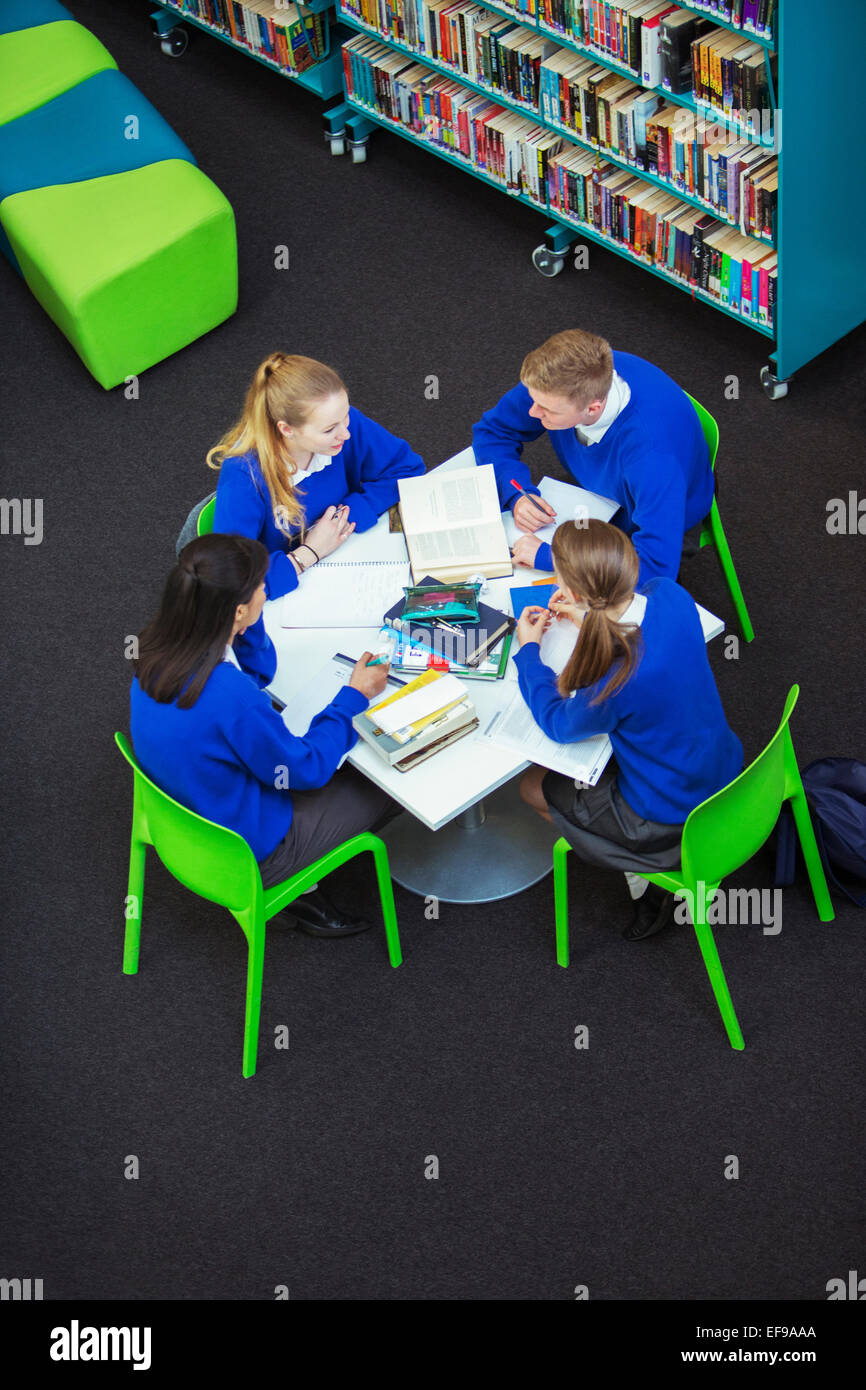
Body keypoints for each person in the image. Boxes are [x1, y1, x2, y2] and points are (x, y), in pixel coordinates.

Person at [130, 533, 399, 936]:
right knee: (391, 778)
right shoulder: (227, 696)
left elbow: (258, 676)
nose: (265, 592)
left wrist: (244, 624)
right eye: (260, 587)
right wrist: (354, 696)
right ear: (236, 610)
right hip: (256, 851)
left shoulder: (155, 648)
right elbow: (305, 770)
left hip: (187, 816)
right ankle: (300, 890)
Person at [513, 519, 742, 940]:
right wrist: (589, 617)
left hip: (668, 812)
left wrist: (529, 651)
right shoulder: (671, 595)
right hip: (724, 771)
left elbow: (561, 725)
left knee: (531, 787)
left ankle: (647, 874)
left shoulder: (617, 682)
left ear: (578, 592)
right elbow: (641, 631)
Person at [472, 328, 714, 584]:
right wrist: (517, 494)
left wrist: (558, 559)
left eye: (546, 410)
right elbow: (493, 431)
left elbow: (653, 570)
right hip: (599, 491)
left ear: (593, 408)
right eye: (532, 399)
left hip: (655, 520)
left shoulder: (651, 459)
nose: (532, 412)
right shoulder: (561, 380)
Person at [208, 352, 425, 600]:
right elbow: (231, 582)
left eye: (345, 417)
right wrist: (310, 551)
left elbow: (406, 468)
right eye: (330, 429)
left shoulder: (341, 422)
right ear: (287, 429)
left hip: (343, 560)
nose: (346, 433)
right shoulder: (244, 477)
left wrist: (344, 518)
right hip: (286, 591)